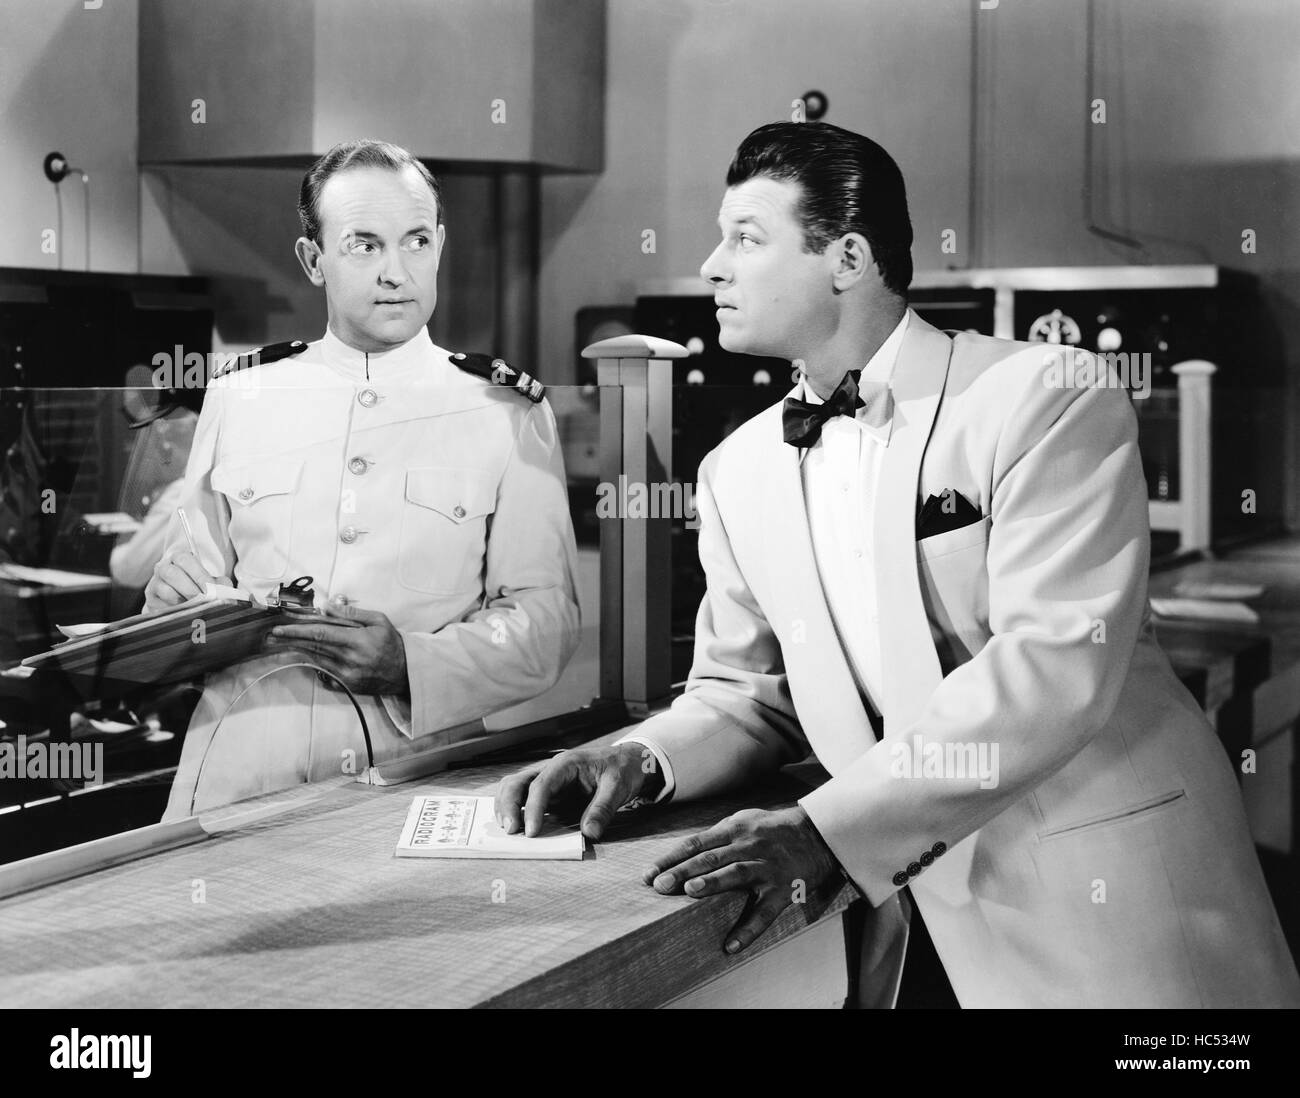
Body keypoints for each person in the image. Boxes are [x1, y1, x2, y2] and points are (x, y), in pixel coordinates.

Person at [496, 121, 1300, 1008]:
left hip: (1102, 909)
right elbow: (748, 695)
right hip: (906, 932)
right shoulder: (737, 469)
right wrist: (639, 758)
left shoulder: (1044, 395)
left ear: (846, 258)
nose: (712, 266)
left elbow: (1053, 664)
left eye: (744, 238)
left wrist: (824, 831)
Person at [147, 139, 580, 820]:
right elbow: (187, 589)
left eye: (414, 242)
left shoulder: (504, 410)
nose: (395, 272)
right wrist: (171, 606)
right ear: (314, 260)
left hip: (415, 769)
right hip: (240, 764)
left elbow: (543, 625)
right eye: (364, 245)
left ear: (439, 245)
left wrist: (410, 663)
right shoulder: (242, 396)